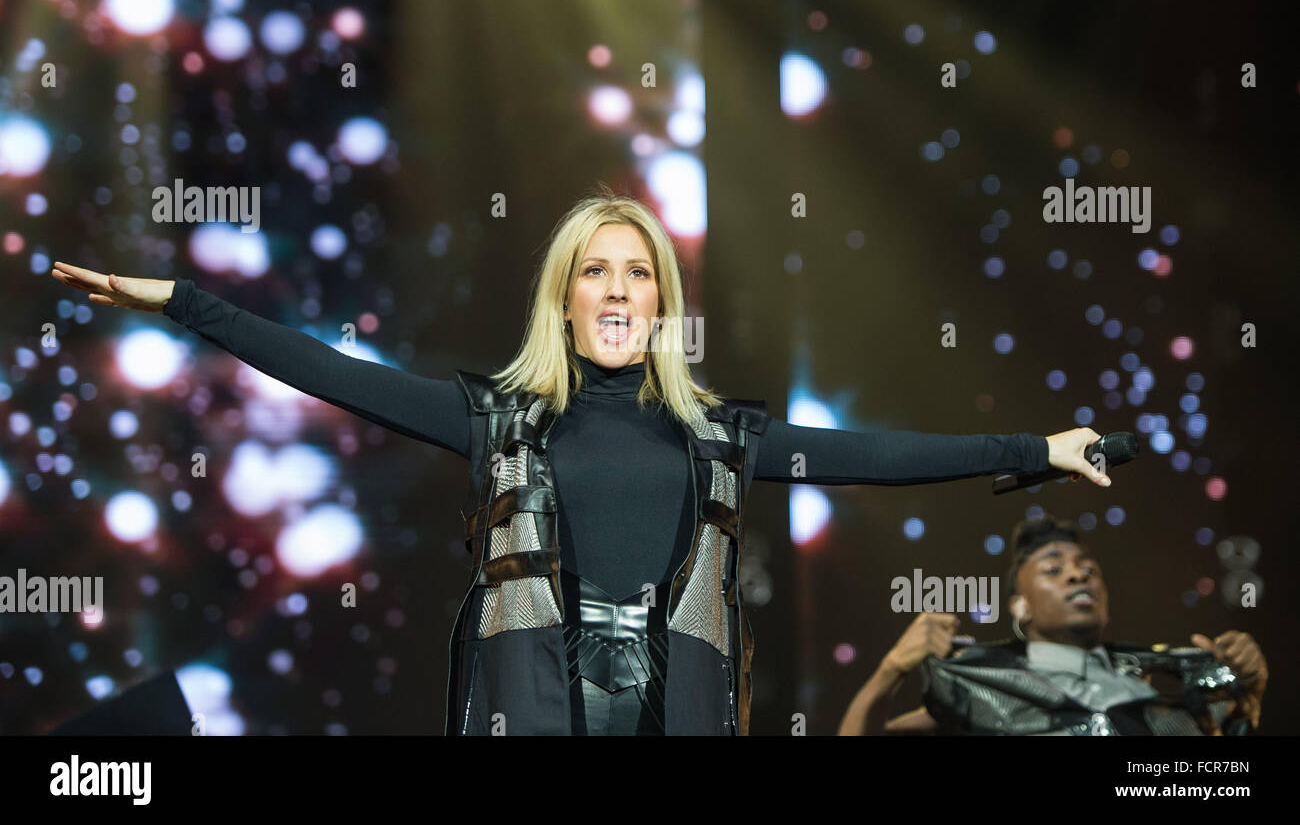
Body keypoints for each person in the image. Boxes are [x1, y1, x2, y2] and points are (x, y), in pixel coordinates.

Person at [52, 186, 1110, 736]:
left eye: (636, 273)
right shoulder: (496, 419)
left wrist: (1039, 450)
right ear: (564, 297)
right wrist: (183, 303)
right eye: (593, 270)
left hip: (675, 709)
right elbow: (326, 371)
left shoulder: (722, 440)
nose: (615, 289)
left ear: (661, 303)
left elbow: (873, 454)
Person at [838, 514, 1267, 735]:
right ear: (1020, 607)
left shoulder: (1161, 685)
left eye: (1087, 568)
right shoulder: (984, 688)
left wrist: (1246, 690)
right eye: (1054, 569)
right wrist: (892, 669)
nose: (1079, 575)